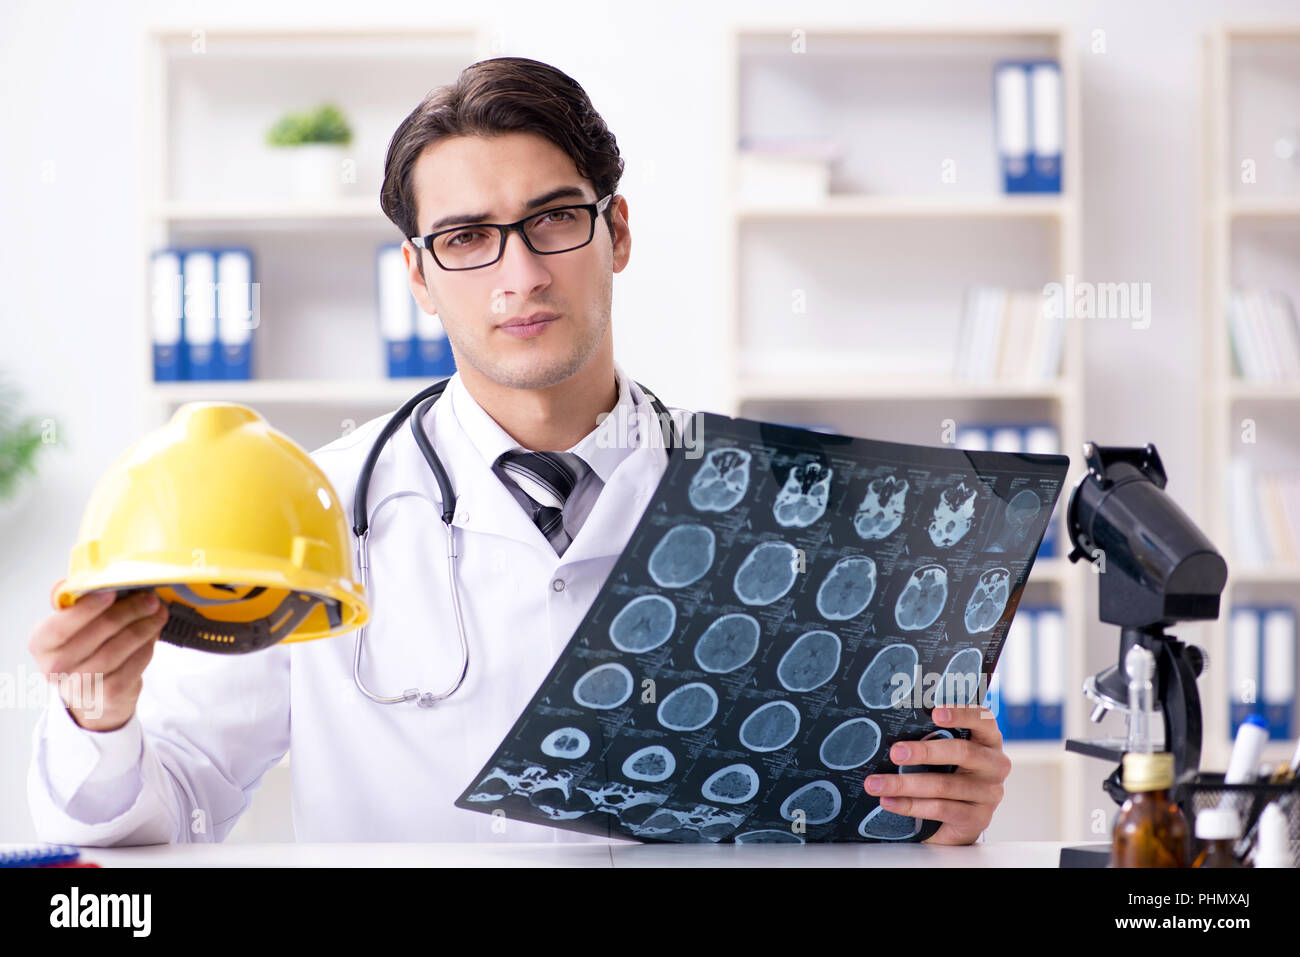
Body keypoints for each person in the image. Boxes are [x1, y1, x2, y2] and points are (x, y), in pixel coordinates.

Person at [26, 57, 1008, 846]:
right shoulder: (312, 508)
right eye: (464, 239)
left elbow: (844, 817)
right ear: (416, 274)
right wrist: (97, 721)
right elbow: (175, 807)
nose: (520, 274)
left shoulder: (785, 514)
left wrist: (940, 811)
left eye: (553, 219)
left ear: (614, 231)